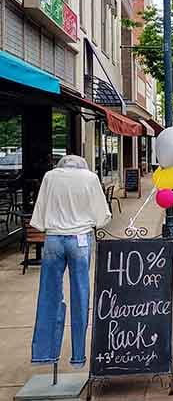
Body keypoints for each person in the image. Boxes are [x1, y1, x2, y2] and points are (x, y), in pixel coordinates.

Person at [29, 155, 111, 368]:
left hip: (54, 238)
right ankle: (78, 357)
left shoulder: (50, 177)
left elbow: (39, 213)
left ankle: (44, 354)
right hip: (80, 239)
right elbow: (102, 216)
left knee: (48, 295)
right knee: (81, 295)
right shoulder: (90, 178)